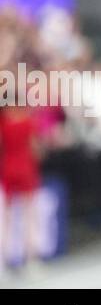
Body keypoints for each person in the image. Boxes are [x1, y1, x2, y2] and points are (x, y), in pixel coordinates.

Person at [0, 103, 44, 276]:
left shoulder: (3, 123)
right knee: (30, 216)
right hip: (25, 168)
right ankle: (31, 259)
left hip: (8, 169)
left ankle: (3, 261)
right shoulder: (28, 122)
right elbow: (35, 147)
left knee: (6, 219)